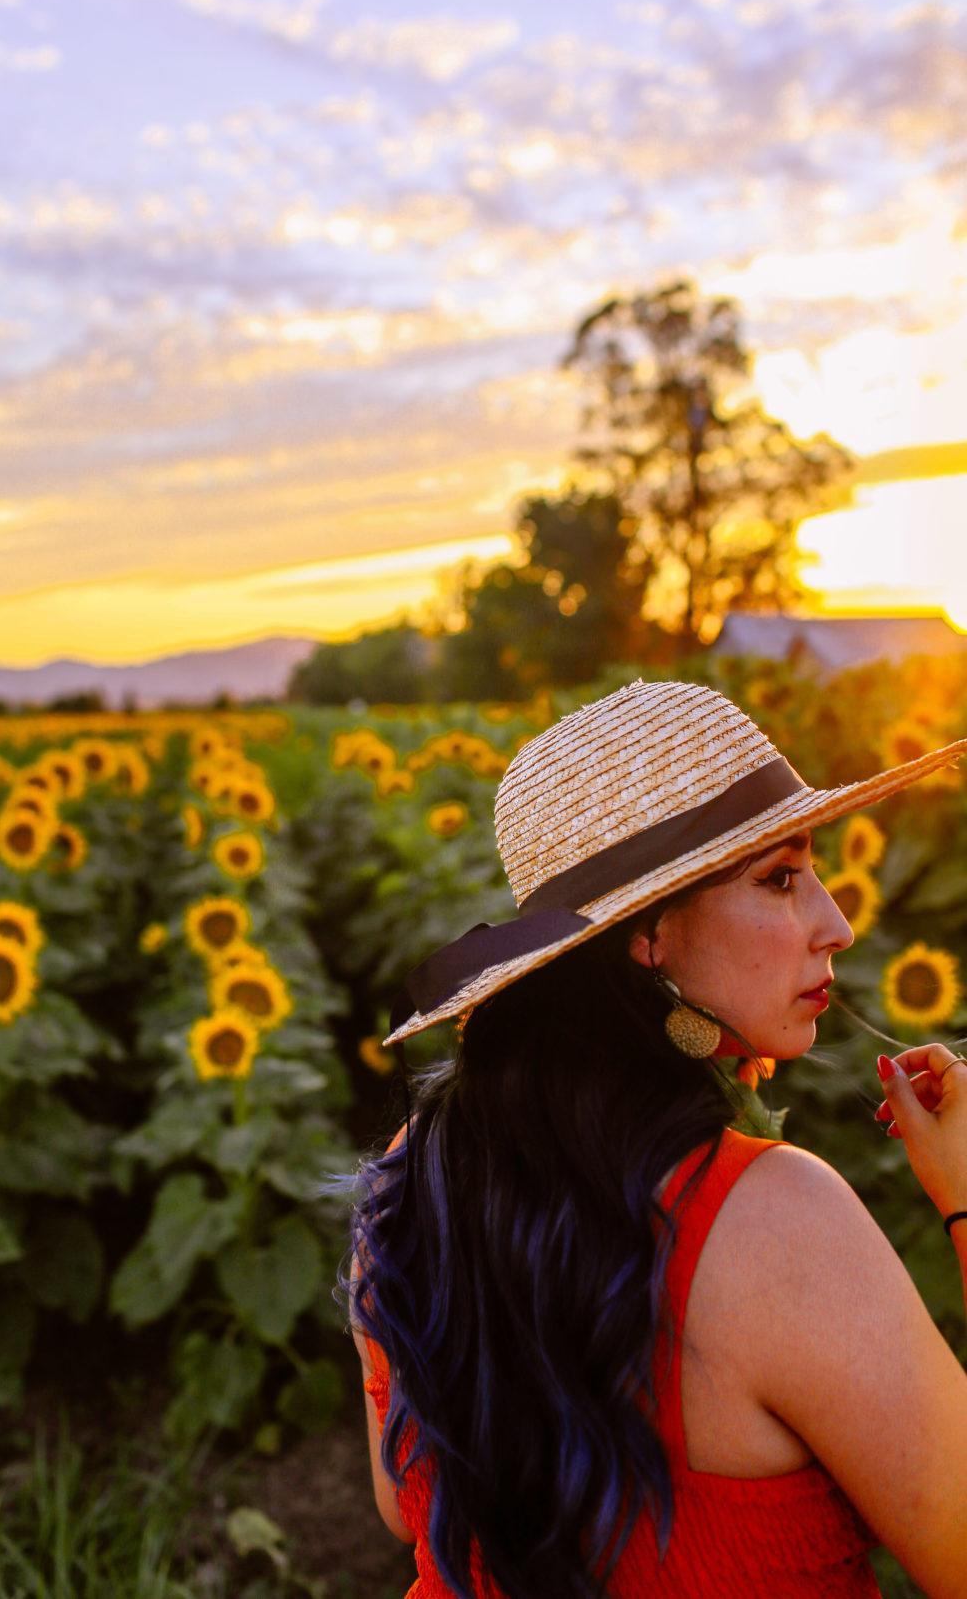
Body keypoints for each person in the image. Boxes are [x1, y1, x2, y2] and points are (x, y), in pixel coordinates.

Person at [342, 678, 967, 1598]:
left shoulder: (413, 1174)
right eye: (780, 877)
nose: (836, 925)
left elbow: (407, 1506)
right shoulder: (777, 1220)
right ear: (649, 937)